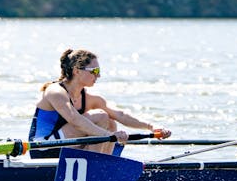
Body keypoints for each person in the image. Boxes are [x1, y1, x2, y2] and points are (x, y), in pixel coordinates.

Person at [28, 48, 171, 157]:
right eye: (94, 71)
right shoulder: (55, 92)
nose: (99, 75)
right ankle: (96, 166)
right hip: (42, 149)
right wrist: (109, 136)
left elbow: (120, 115)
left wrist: (152, 127)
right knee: (101, 117)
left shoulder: (90, 98)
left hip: (66, 147)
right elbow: (74, 119)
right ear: (77, 71)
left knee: (110, 121)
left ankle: (102, 165)